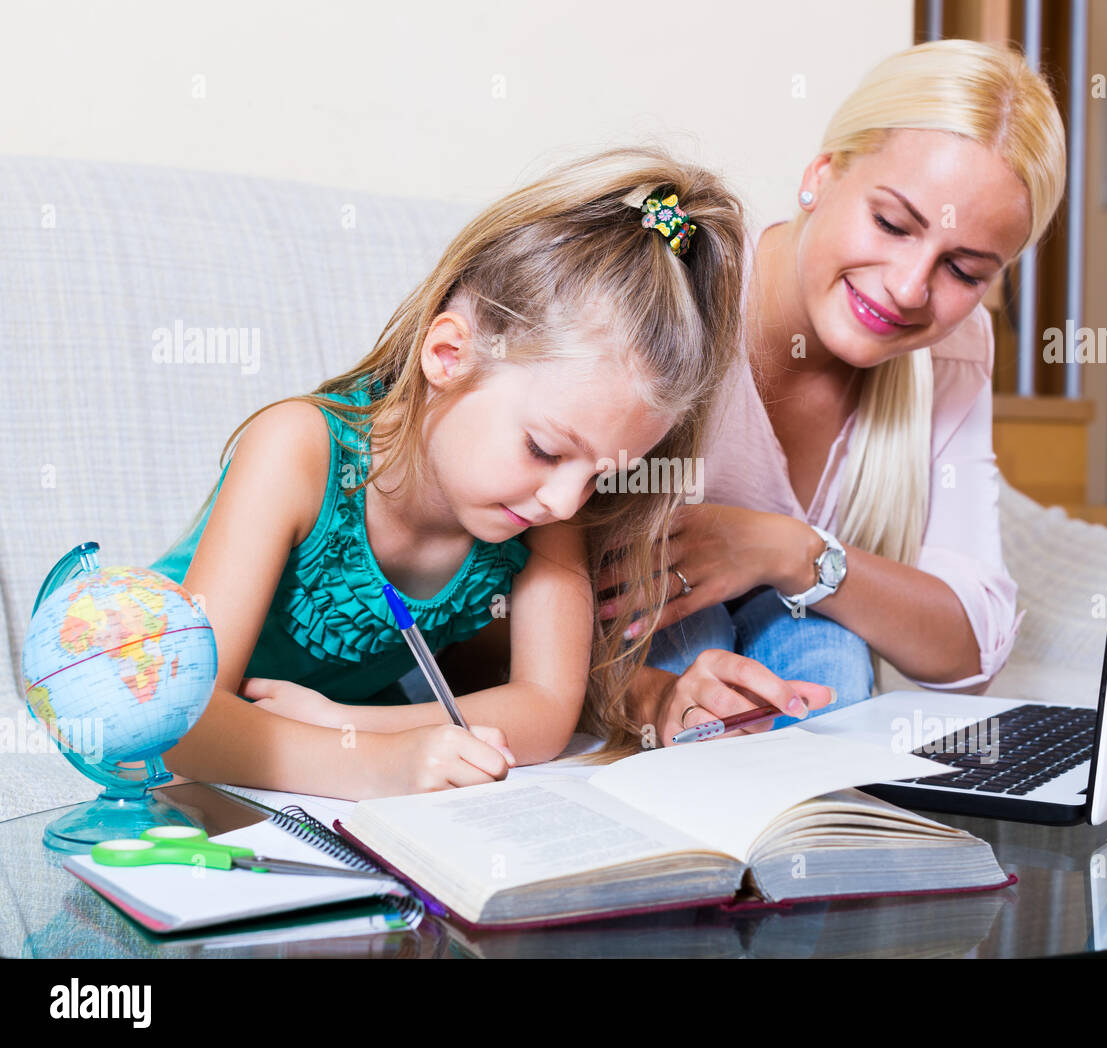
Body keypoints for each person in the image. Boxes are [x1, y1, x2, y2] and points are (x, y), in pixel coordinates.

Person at [150, 146, 748, 795]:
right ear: (448, 355)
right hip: (128, 682)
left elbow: (546, 712)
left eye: (602, 476)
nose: (568, 502)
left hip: (299, 736)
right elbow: (183, 721)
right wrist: (378, 761)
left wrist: (351, 725)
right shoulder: (297, 450)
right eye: (545, 449)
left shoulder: (538, 506)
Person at [596, 40, 1067, 747]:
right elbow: (519, 548)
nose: (909, 288)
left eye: (964, 271)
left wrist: (791, 552)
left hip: (795, 655)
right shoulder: (680, 274)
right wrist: (647, 695)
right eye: (891, 223)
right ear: (822, 174)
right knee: (696, 636)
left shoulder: (954, 347)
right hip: (626, 637)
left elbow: (972, 650)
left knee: (831, 655)